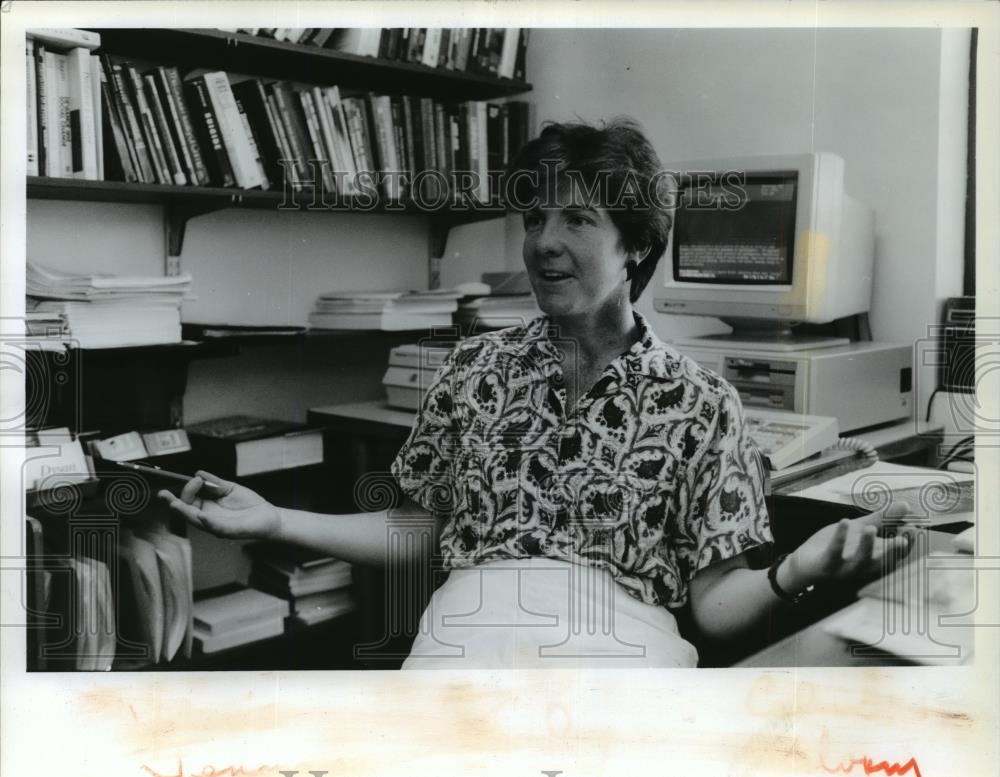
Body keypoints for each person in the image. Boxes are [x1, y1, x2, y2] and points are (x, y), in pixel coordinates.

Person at [160, 118, 914, 669]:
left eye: (578, 219)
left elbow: (715, 608)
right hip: (466, 647)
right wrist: (273, 520)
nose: (545, 241)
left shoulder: (700, 404)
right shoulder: (473, 369)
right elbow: (416, 529)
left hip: (619, 657)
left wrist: (797, 570)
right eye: (535, 219)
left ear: (637, 244)